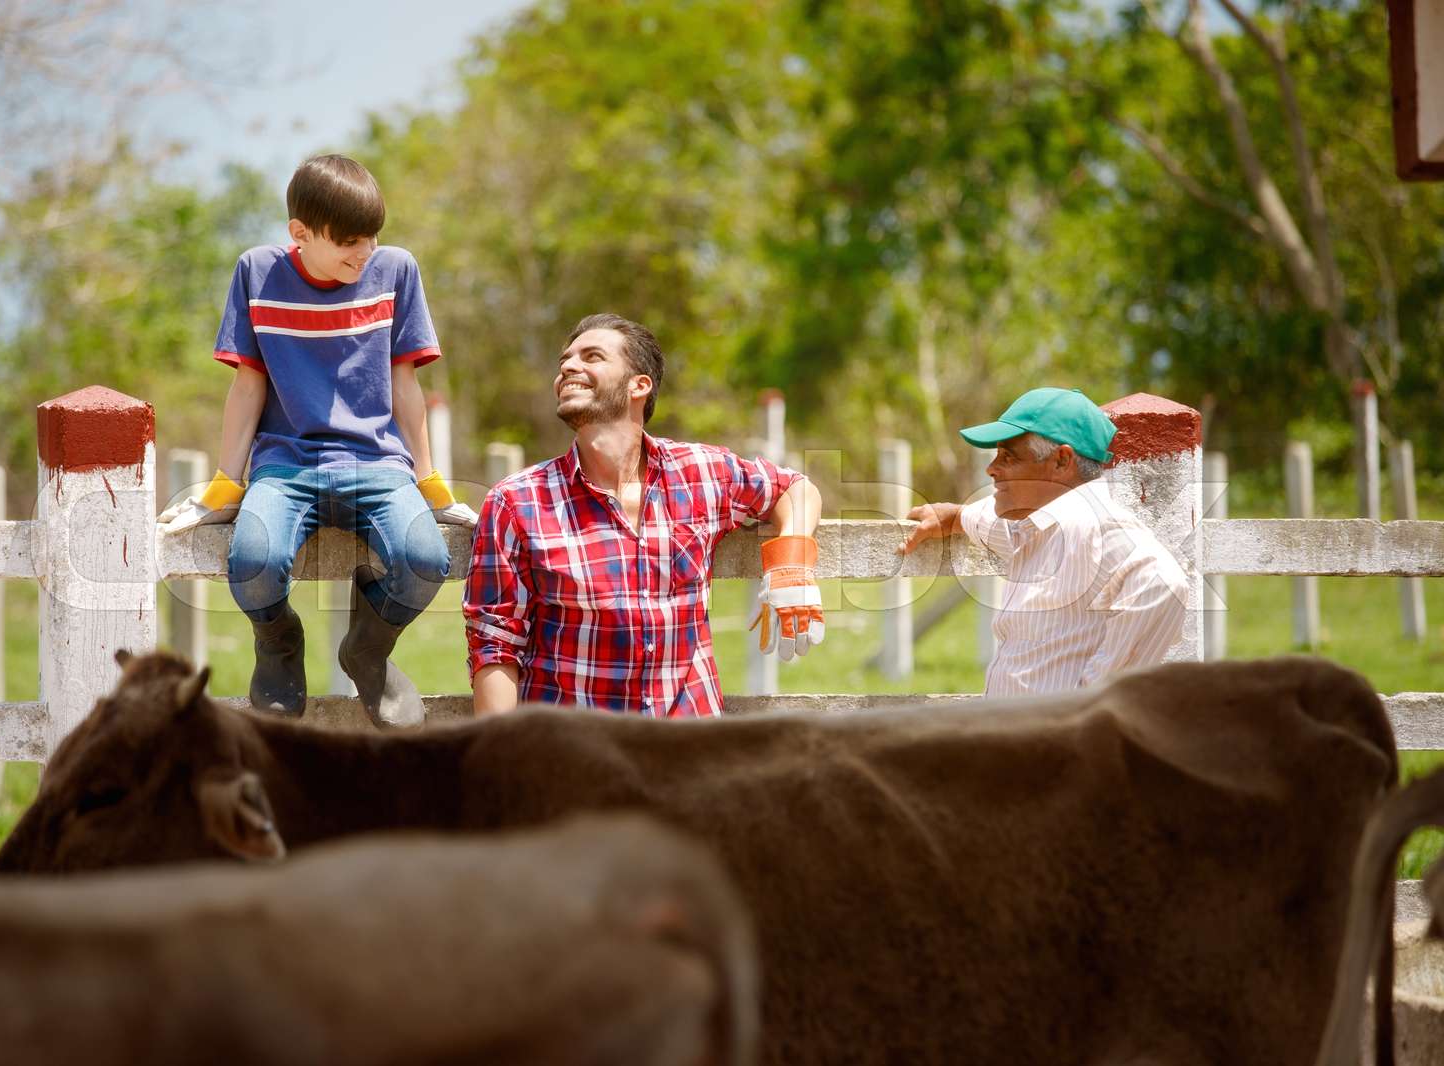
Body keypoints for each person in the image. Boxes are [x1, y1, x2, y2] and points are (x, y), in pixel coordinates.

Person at [158, 154, 475, 722]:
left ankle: (368, 651)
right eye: (349, 240)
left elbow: (405, 382)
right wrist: (226, 486)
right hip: (286, 466)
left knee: (425, 558)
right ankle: (278, 643)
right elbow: (248, 386)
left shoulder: (396, 270)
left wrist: (429, 481)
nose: (365, 251)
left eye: (372, 236)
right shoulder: (257, 272)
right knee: (253, 561)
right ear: (299, 234)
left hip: (380, 463)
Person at [464, 313, 824, 718]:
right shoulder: (516, 502)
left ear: (639, 385)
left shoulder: (700, 472)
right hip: (578, 754)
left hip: (688, 750)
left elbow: (794, 488)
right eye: (565, 360)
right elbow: (495, 645)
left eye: (592, 356)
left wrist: (791, 565)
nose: (567, 366)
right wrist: (497, 770)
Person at [897, 386, 1187, 697]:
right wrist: (955, 517)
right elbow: (999, 527)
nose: (991, 468)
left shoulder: (1101, 530)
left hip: (1060, 740)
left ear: (1062, 461)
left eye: (1008, 456)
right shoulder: (1037, 526)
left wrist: (1089, 707)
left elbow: (1165, 583)